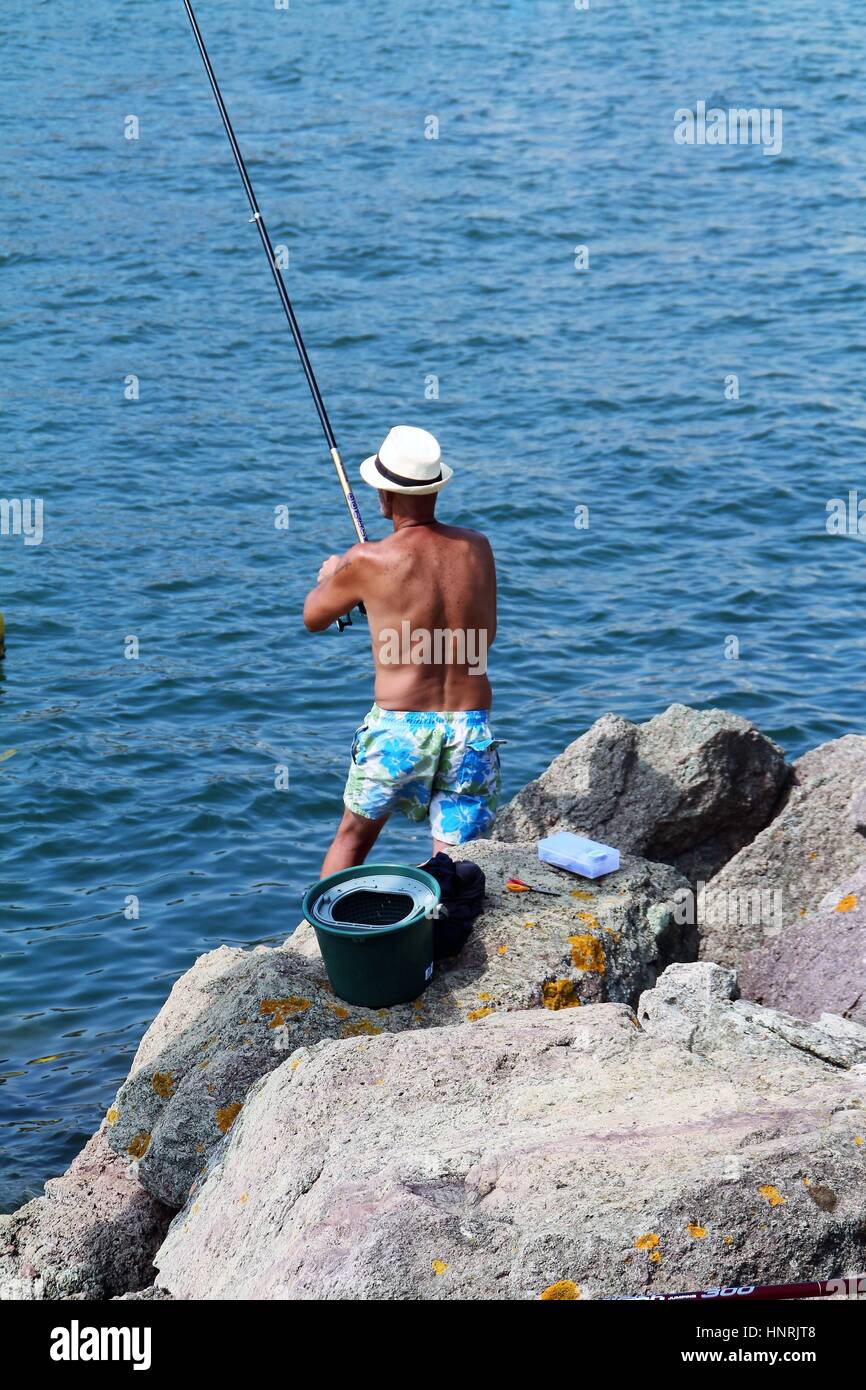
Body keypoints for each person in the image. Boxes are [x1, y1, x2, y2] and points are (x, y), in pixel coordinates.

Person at [303, 425, 502, 874]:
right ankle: (445, 939)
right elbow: (483, 636)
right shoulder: (478, 548)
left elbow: (313, 616)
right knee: (454, 864)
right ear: (435, 490)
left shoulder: (367, 560)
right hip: (470, 728)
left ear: (384, 497)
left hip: (399, 729)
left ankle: (332, 941)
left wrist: (335, 574)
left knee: (351, 844)